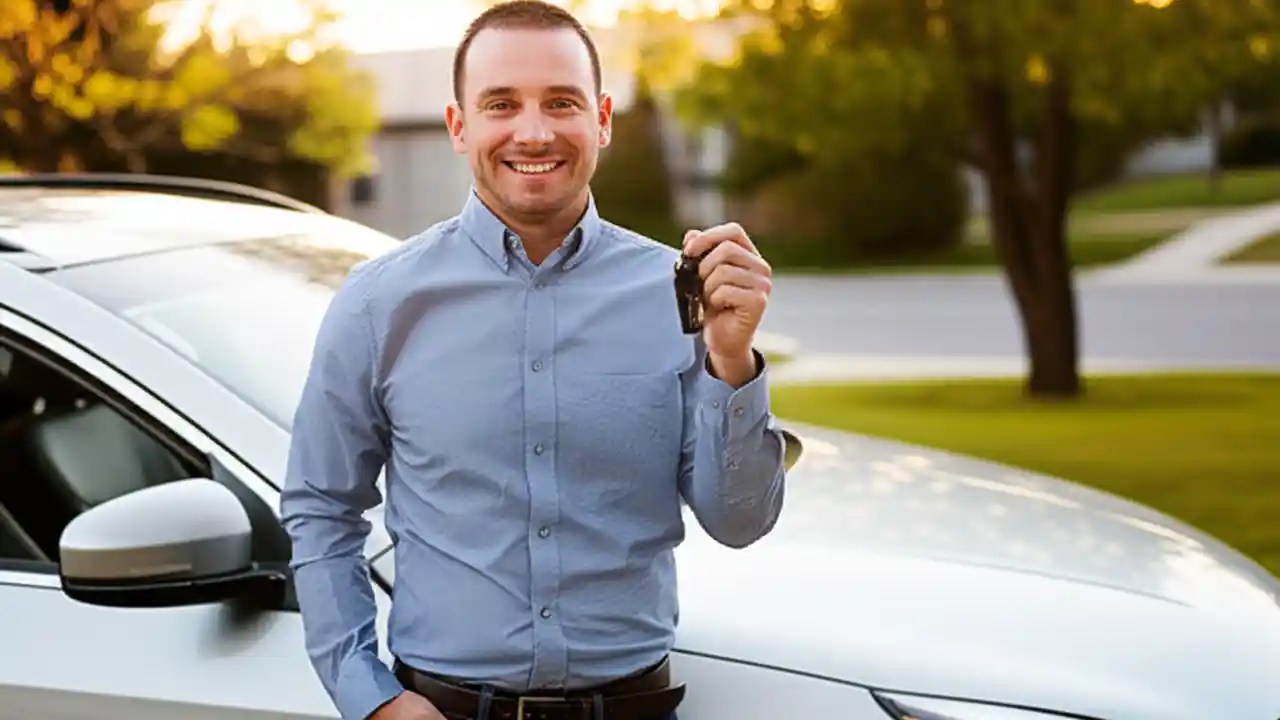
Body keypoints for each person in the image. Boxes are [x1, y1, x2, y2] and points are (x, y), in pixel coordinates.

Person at [278, 2, 791, 719]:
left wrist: (731, 360)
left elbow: (739, 522)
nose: (534, 132)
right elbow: (321, 509)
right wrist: (370, 698)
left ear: (602, 119)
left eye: (561, 102)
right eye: (501, 104)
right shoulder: (377, 304)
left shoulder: (681, 298)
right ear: (459, 126)